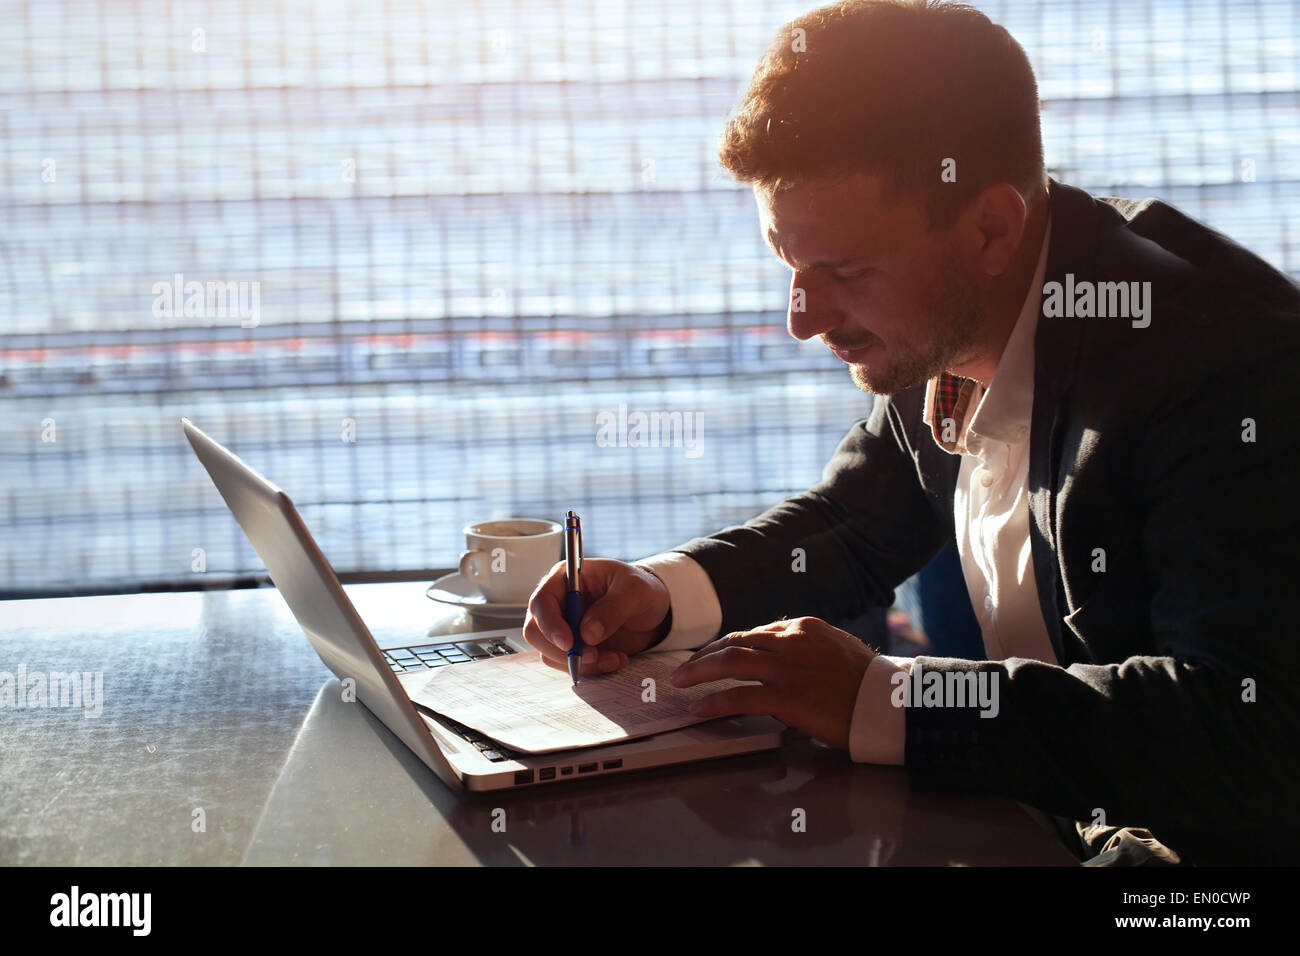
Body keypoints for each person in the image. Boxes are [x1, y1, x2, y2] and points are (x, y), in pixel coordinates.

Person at [524, 0, 1300, 864]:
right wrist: (664, 592)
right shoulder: (954, 312)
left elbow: (1244, 730)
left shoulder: (1219, 364)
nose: (803, 319)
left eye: (845, 273)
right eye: (791, 267)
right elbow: (858, 518)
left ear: (990, 229)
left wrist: (889, 699)